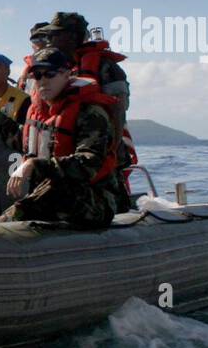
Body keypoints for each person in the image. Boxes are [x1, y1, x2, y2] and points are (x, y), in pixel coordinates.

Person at [0, 47, 122, 228]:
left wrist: (33, 165)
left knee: (23, 212)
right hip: (50, 192)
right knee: (24, 210)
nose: (43, 81)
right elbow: (23, 141)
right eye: (37, 75)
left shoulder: (90, 113)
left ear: (67, 74)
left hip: (93, 198)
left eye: (50, 74)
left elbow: (89, 163)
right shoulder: (39, 112)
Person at [31, 11, 135, 208]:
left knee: (112, 197)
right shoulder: (58, 66)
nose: (49, 40)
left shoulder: (105, 67)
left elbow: (118, 110)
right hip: (68, 154)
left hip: (99, 148)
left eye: (54, 35)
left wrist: (107, 149)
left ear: (71, 36)